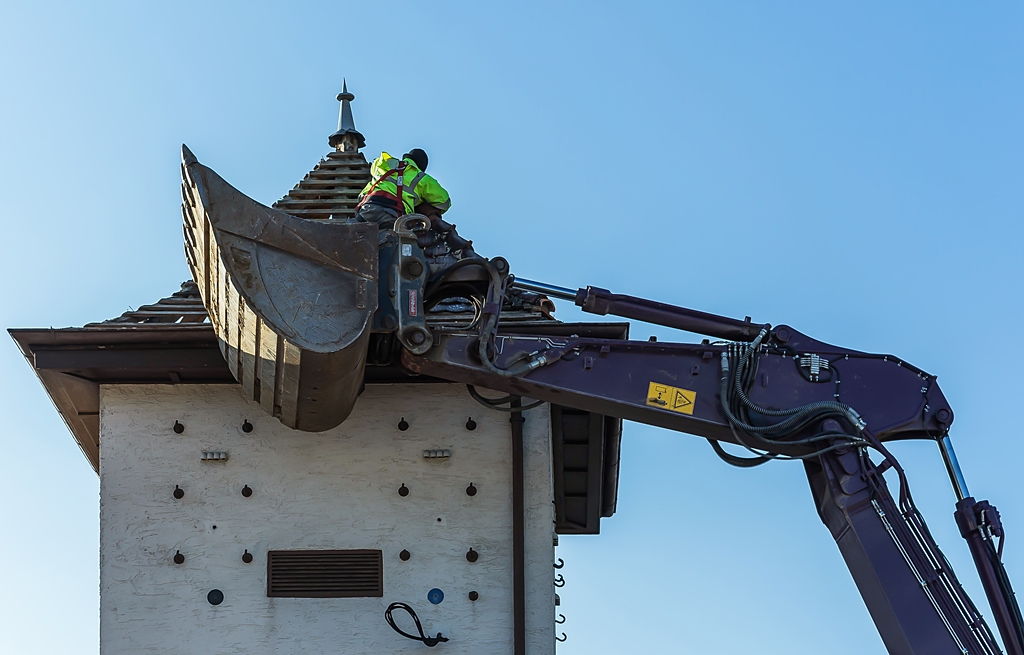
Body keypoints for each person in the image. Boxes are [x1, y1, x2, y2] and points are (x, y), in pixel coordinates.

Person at [353, 149, 450, 228]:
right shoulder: (421, 178)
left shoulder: (383, 163)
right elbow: (444, 202)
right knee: (388, 245)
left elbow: (373, 165)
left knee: (349, 238)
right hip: (392, 214)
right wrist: (420, 202)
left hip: (368, 208)